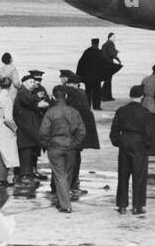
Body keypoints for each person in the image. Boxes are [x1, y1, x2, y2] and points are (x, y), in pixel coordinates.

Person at [39, 85, 85, 212]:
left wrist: (47, 144)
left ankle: (65, 204)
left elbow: (43, 132)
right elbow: (82, 131)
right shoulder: (74, 111)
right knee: (67, 175)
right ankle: (63, 201)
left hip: (55, 146)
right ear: (66, 96)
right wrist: (75, 143)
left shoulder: (51, 112)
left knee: (59, 175)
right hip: (70, 146)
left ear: (53, 97)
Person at [110, 84, 151, 215]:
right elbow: (149, 132)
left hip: (125, 141)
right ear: (142, 97)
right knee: (139, 175)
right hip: (139, 143)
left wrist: (118, 142)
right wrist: (148, 145)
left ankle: (122, 205)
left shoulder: (121, 110)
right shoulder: (145, 112)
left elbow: (114, 130)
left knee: (123, 175)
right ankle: (137, 205)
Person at [58, 70, 98, 198]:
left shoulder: (63, 92)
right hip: (77, 133)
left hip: (66, 132)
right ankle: (72, 186)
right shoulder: (80, 93)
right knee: (73, 160)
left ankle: (66, 186)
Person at [13, 71, 48, 184]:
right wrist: (37, 102)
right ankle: (25, 175)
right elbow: (27, 101)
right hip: (25, 129)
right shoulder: (23, 92)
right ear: (24, 82)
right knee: (26, 153)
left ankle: (28, 174)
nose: (33, 83)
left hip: (28, 128)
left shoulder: (27, 92)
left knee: (28, 152)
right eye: (31, 81)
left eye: (34, 81)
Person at [0, 76, 19, 187]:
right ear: (10, 85)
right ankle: (1, 178)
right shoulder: (7, 98)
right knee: (4, 152)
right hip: (4, 126)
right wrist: (15, 128)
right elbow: (8, 118)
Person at [76, 38, 110, 110]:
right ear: (96, 44)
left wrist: (79, 75)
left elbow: (81, 63)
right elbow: (104, 63)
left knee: (89, 92)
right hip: (95, 77)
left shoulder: (88, 52)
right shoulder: (99, 52)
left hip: (89, 77)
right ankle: (95, 106)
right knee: (95, 92)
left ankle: (88, 106)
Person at [100, 32, 122, 101]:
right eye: (113, 37)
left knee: (108, 80)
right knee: (108, 80)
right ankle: (103, 96)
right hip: (108, 64)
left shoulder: (105, 44)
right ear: (110, 37)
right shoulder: (110, 43)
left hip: (104, 63)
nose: (114, 38)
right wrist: (118, 58)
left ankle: (108, 96)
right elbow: (111, 53)